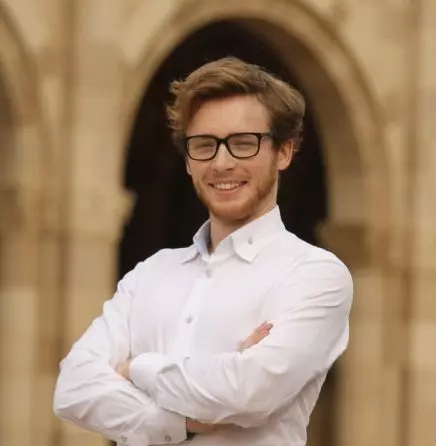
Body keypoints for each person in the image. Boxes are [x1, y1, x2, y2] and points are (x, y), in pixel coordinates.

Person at [53, 57, 353, 446]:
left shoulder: (313, 274)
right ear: (188, 162)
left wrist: (136, 368)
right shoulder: (150, 274)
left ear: (284, 152)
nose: (222, 162)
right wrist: (185, 420)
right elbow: (73, 389)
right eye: (205, 145)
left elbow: (248, 393)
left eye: (244, 143)